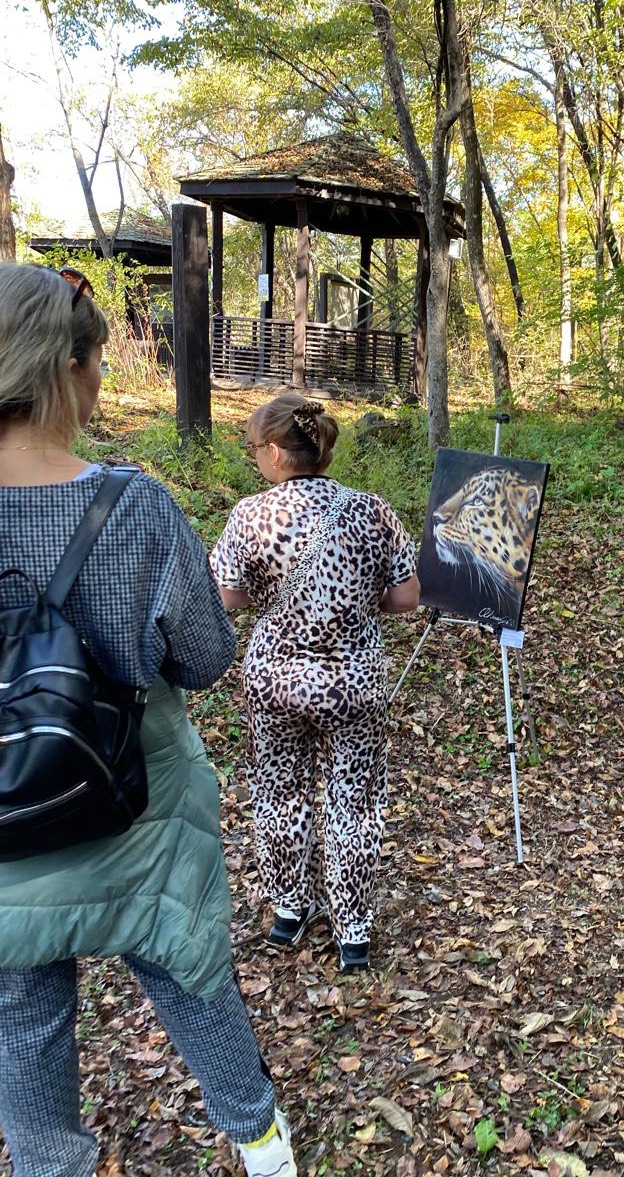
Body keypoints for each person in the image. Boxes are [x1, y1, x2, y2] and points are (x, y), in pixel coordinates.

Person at [0, 264, 297, 1177]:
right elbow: (206, 658)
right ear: (73, 368)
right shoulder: (132, 504)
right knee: (191, 979)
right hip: (135, 807)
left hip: (4, 823)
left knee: (24, 1016)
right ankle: (264, 1151)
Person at [210, 393, 419, 972]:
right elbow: (405, 595)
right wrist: (353, 603)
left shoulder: (248, 516)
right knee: (355, 801)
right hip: (353, 682)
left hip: (275, 679)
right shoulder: (373, 511)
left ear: (277, 452)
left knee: (280, 795)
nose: (254, 457)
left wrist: (273, 602)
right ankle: (352, 931)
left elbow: (226, 596)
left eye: (254, 447)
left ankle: (288, 911)